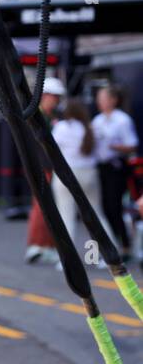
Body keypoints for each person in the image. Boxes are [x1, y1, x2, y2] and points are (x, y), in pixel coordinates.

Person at [51, 98, 106, 266]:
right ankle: (106, 256)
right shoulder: (91, 128)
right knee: (96, 214)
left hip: (66, 173)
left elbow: (51, 148)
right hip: (89, 172)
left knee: (66, 216)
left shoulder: (61, 127)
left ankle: (67, 260)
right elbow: (102, 153)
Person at [92, 84, 139, 259]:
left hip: (116, 165)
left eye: (104, 99)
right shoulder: (97, 120)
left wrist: (115, 146)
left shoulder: (122, 120)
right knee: (103, 207)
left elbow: (132, 145)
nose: (101, 102)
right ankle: (112, 243)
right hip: (100, 166)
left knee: (115, 206)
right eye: (99, 99)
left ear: (114, 100)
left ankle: (125, 245)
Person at [25, 82, 64, 264]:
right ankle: (36, 245)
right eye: (54, 97)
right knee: (41, 207)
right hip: (43, 167)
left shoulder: (52, 117)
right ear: (45, 95)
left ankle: (47, 245)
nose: (56, 102)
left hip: (49, 167)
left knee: (52, 208)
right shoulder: (36, 116)